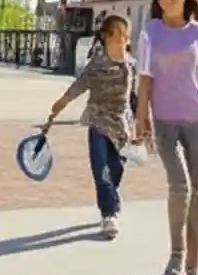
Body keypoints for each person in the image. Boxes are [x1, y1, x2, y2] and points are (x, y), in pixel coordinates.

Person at [134, 0, 198, 275]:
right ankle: (176, 251)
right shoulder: (151, 32)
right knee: (180, 186)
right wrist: (140, 117)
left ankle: (193, 268)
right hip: (164, 121)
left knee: (195, 192)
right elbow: (145, 76)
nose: (165, 1)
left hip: (195, 119)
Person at [50, 14, 137, 239]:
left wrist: (143, 122)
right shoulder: (97, 64)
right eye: (116, 36)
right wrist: (62, 102)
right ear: (105, 38)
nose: (121, 41)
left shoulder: (131, 65)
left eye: (124, 37)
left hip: (121, 125)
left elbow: (137, 96)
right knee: (101, 170)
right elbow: (80, 85)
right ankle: (109, 214)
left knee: (116, 168)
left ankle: (111, 198)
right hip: (98, 122)